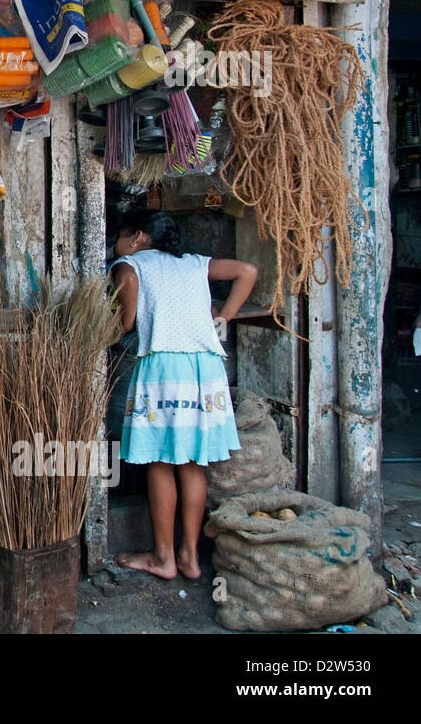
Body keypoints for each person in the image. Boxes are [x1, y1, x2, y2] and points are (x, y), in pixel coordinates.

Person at [110, 208, 258, 581]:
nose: (116, 243)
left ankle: (163, 558)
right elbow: (248, 272)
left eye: (119, 235)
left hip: (163, 370)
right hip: (205, 371)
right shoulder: (194, 263)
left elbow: (125, 324)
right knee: (193, 464)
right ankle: (190, 557)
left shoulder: (128, 266)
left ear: (138, 236)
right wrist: (221, 315)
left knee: (160, 462)